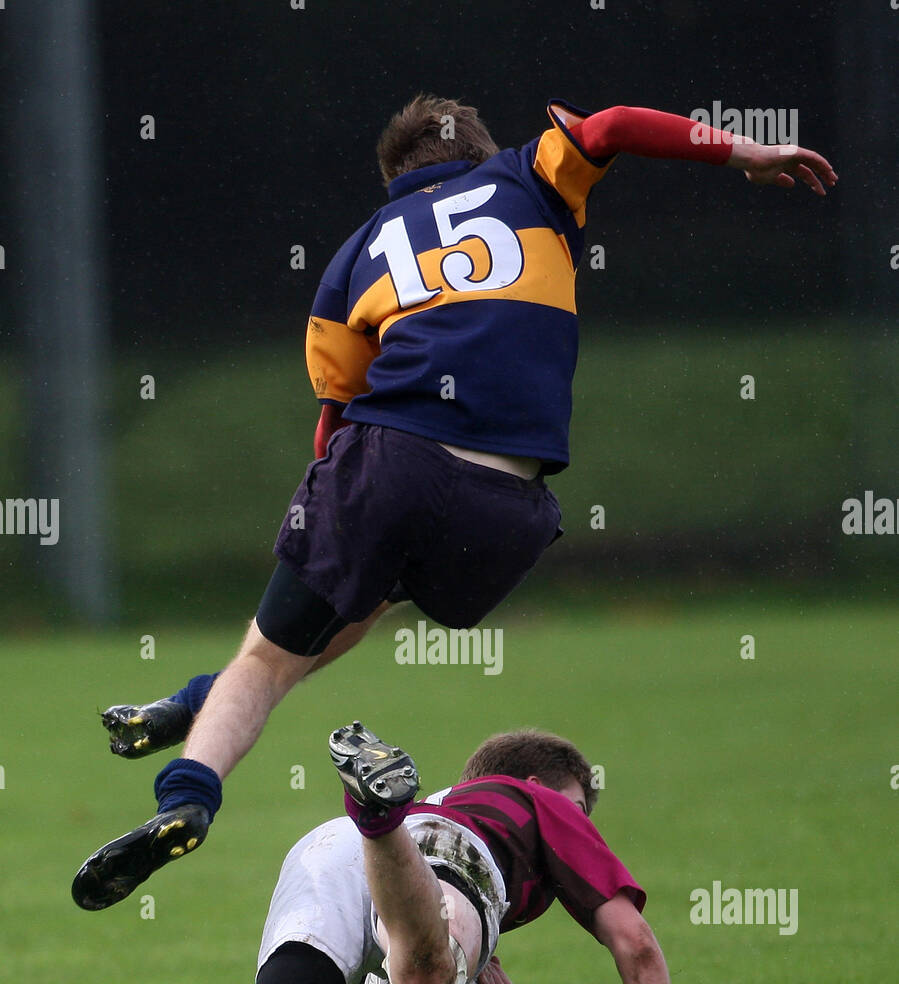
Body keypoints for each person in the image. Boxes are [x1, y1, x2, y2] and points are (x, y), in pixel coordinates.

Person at [71, 96, 837, 912]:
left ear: (394, 177)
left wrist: (332, 521)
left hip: (390, 459)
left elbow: (335, 410)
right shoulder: (528, 178)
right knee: (364, 602)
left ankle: (188, 791)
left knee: (273, 652)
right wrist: (741, 152)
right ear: (479, 152)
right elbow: (610, 125)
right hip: (508, 506)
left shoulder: (357, 251)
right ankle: (195, 699)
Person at [72, 723, 690, 984]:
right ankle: (376, 815)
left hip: (322, 860)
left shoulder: (460, 799)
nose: (584, 823)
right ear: (541, 789)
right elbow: (634, 944)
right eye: (582, 807)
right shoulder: (535, 803)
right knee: (429, 982)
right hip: (436, 849)